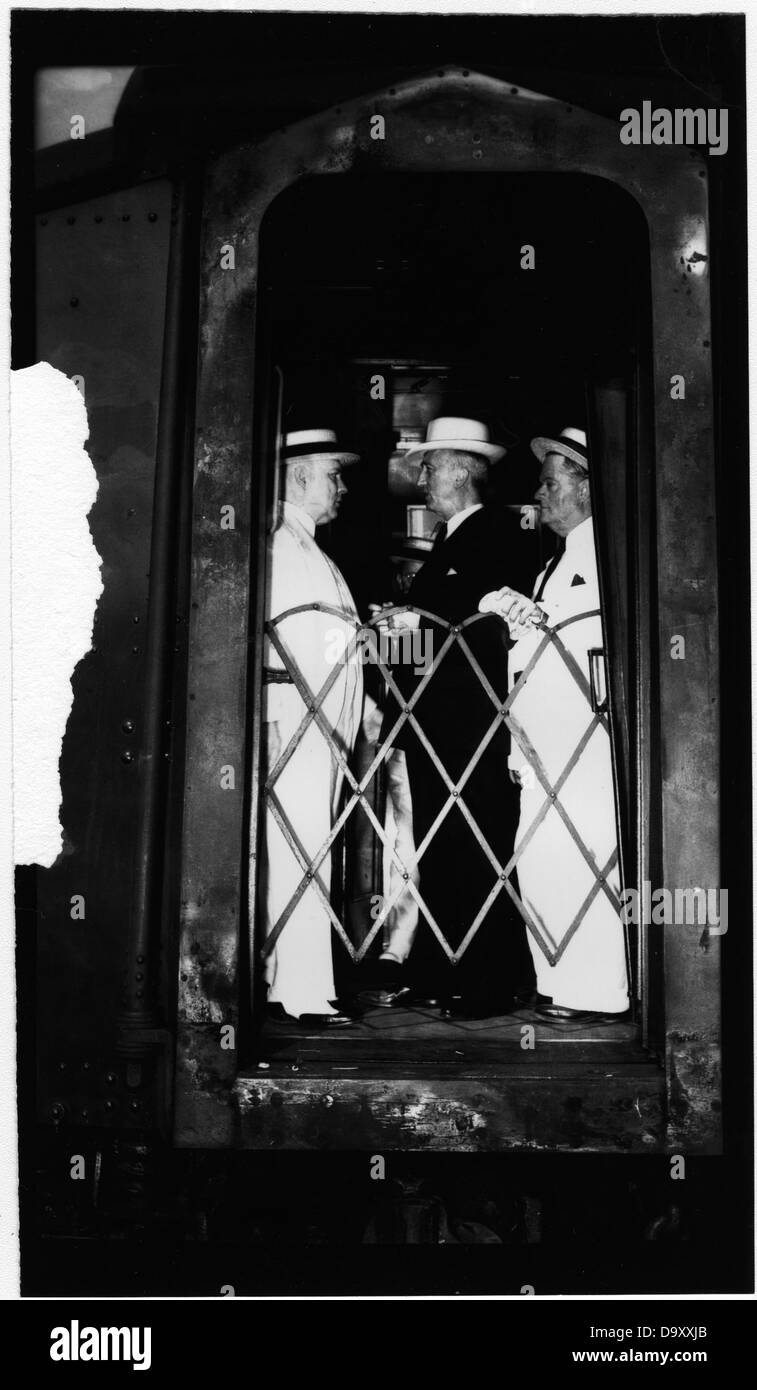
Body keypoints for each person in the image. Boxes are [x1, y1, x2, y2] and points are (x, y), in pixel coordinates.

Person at [371, 417, 535, 1017]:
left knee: (478, 844)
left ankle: (488, 982)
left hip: (471, 726)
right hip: (434, 724)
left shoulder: (498, 535)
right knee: (439, 846)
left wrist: (415, 615)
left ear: (463, 473)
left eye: (431, 467)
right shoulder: (449, 539)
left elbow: (485, 619)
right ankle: (441, 971)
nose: (422, 479)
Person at [479, 426, 630, 1020]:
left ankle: (595, 992)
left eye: (550, 483)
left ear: (587, 488)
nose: (539, 495)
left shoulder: (606, 556)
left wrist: (535, 621)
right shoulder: (555, 563)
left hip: (583, 743)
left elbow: (592, 646)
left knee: (585, 860)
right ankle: (560, 982)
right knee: (541, 859)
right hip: (543, 742)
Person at [261, 428, 364, 1026]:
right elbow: (272, 642)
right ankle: (302, 991)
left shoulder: (308, 546)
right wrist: (273, 721)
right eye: (334, 474)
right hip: (297, 729)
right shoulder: (281, 542)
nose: (342, 486)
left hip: (318, 731)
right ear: (299, 476)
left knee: (303, 849)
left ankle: (289, 982)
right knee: (298, 850)